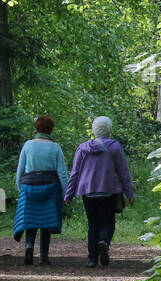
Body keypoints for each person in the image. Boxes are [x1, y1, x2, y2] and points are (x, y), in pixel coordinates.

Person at [64, 116, 135, 268]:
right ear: (109, 129)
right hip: (108, 191)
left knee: (93, 224)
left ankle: (92, 258)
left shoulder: (83, 148)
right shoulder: (115, 147)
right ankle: (103, 241)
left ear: (94, 129)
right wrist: (129, 193)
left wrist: (69, 194)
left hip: (88, 192)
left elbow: (75, 173)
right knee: (108, 222)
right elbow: (123, 172)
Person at [13, 115, 71, 265]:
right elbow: (62, 173)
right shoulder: (55, 147)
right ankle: (44, 256)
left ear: (36, 128)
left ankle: (29, 247)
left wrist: (20, 187)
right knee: (46, 221)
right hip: (50, 187)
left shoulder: (28, 145)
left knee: (30, 220)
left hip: (29, 186)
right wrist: (66, 193)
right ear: (50, 130)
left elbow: (20, 170)